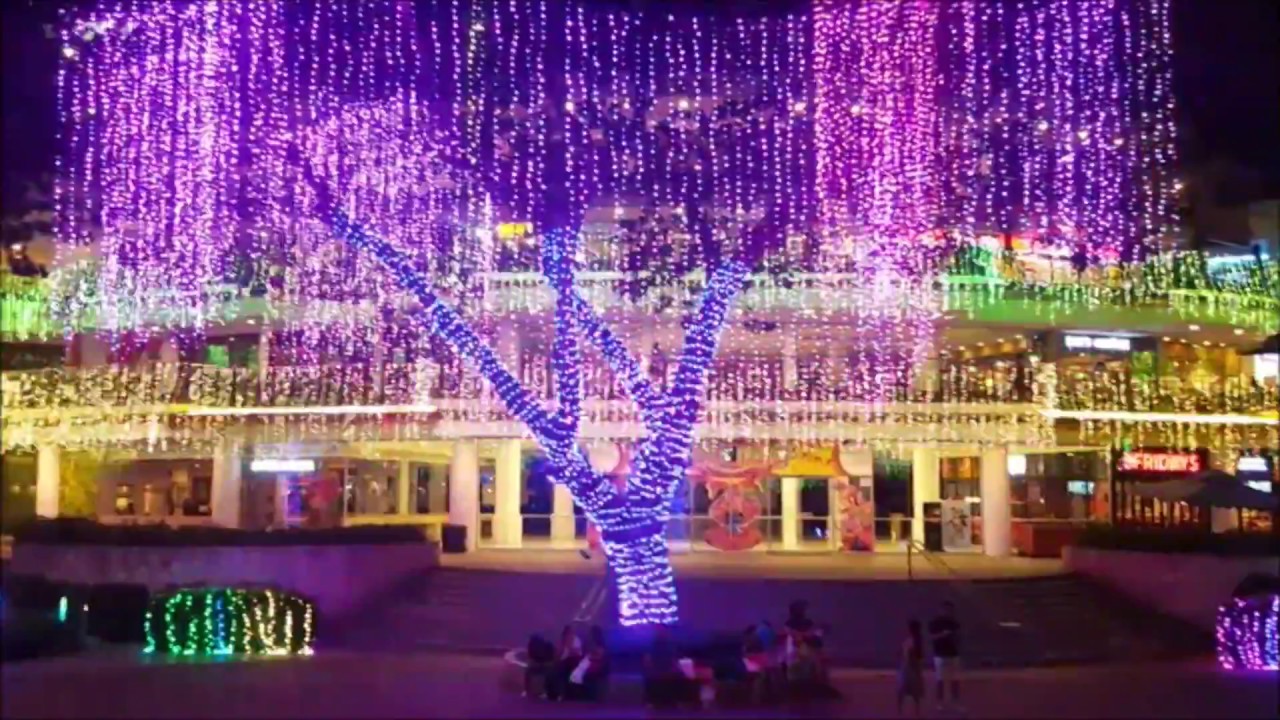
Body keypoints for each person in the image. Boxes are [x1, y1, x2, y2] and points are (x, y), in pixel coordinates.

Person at [643, 625, 686, 708]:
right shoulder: (652, 644)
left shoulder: (671, 644)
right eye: (659, 631)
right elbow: (648, 657)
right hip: (657, 668)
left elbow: (674, 657)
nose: (661, 632)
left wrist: (675, 666)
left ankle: (671, 700)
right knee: (655, 678)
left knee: (676, 677)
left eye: (662, 631)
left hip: (667, 667)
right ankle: (656, 701)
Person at [930, 601, 962, 711]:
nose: (948, 612)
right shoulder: (935, 623)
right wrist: (943, 634)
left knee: (955, 679)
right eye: (946, 609)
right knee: (940, 680)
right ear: (941, 610)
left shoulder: (955, 623)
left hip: (953, 654)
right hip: (940, 654)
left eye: (950, 610)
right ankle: (940, 703)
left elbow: (958, 637)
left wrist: (955, 639)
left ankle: (956, 702)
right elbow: (932, 637)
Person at [897, 620, 925, 716]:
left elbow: (906, 655)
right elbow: (919, 657)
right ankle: (917, 712)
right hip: (914, 668)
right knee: (915, 691)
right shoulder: (918, 641)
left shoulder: (910, 640)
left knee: (902, 690)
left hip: (907, 668)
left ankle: (899, 711)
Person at [547, 625, 583, 701]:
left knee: (564, 668)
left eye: (570, 633)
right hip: (562, 662)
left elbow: (577, 652)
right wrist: (562, 647)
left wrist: (569, 645)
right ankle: (556, 693)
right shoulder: (562, 641)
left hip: (573, 661)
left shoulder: (576, 640)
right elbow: (557, 655)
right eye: (567, 634)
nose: (569, 635)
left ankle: (567, 694)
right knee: (554, 670)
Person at [524, 633, 555, 699]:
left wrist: (543, 664)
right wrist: (535, 664)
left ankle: (545, 691)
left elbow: (552, 661)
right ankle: (527, 690)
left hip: (546, 665)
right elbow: (531, 660)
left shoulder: (549, 647)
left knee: (549, 672)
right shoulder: (531, 648)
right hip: (537, 664)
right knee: (528, 671)